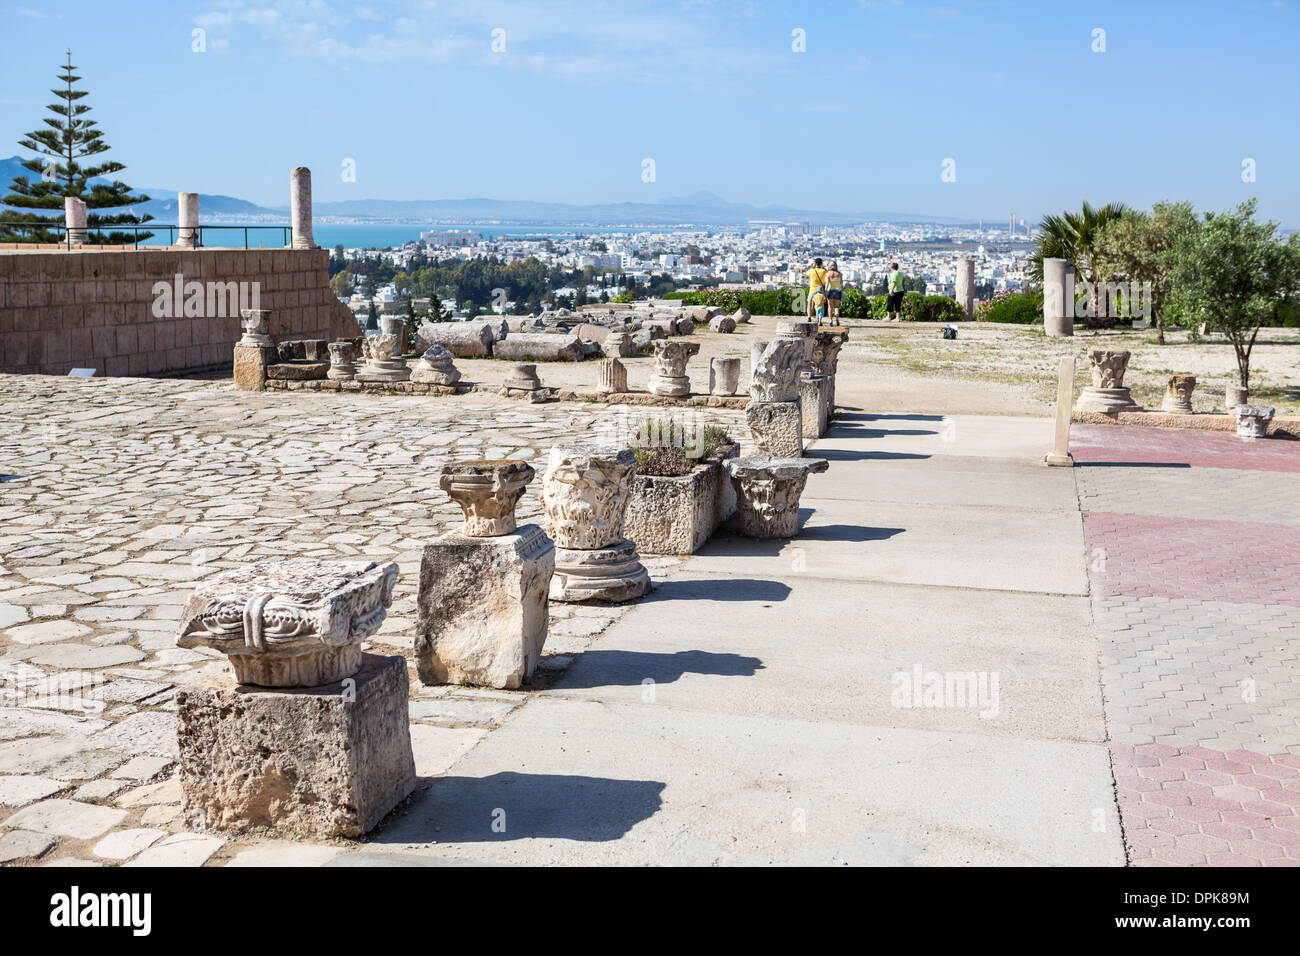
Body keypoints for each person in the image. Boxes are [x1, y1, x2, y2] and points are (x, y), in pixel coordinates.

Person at [824, 261, 844, 325]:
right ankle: (837, 319)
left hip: (830, 291)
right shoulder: (839, 274)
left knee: (830, 307)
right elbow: (841, 283)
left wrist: (825, 291)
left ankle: (830, 320)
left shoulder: (828, 274)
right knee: (836, 307)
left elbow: (827, 284)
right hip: (838, 291)